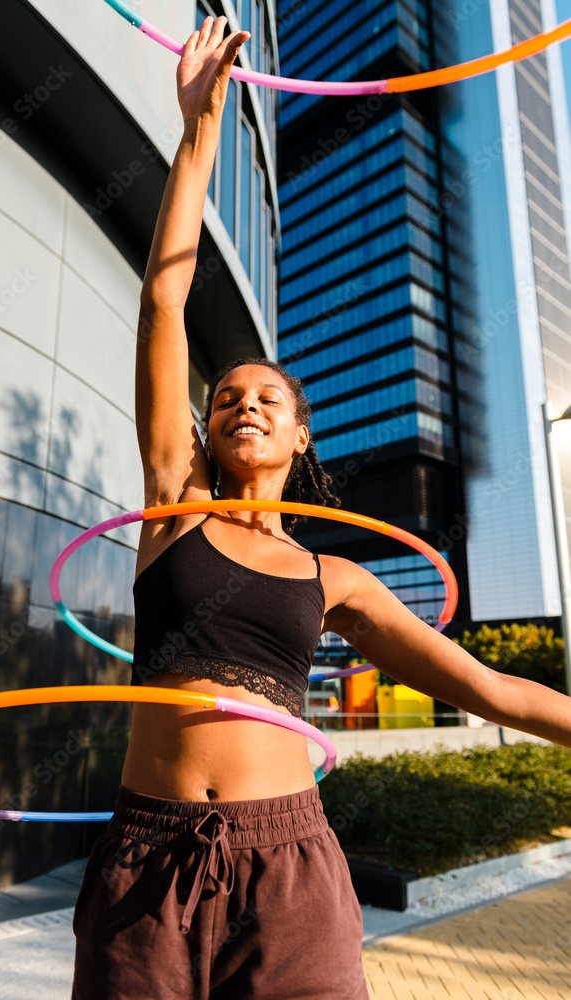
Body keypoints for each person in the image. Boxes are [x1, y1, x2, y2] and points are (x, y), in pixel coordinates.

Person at [71, 17, 571, 1000]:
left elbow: (489, 688)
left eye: (267, 397)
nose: (244, 401)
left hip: (290, 866)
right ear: (204, 432)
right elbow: (164, 304)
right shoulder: (171, 508)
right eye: (226, 397)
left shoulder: (332, 577)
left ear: (301, 436)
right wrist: (198, 130)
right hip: (147, 862)